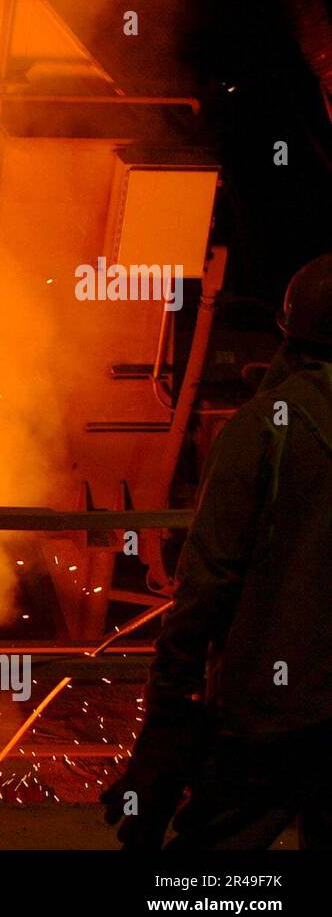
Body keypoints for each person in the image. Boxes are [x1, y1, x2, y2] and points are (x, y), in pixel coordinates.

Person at [102, 252, 332, 849]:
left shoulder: (265, 429)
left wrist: (167, 728)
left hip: (274, 720)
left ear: (290, 330)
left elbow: (205, 589)